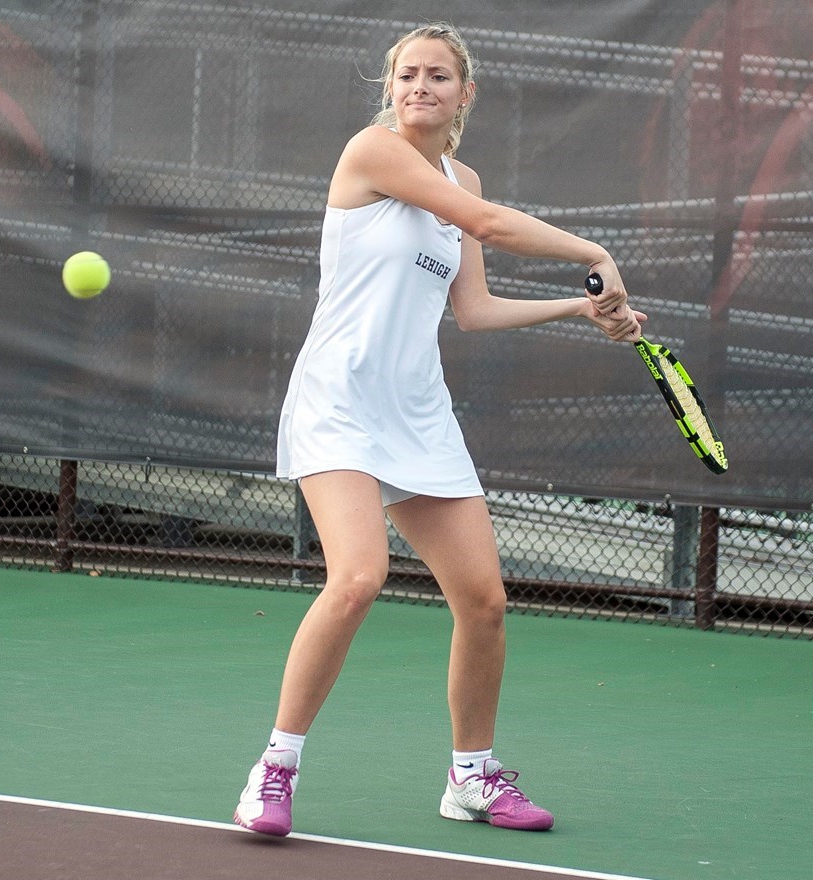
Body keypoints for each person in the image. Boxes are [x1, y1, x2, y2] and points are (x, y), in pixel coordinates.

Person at [234, 22, 644, 838]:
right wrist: (593, 251)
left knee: (484, 602)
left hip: (416, 411)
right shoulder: (373, 153)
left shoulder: (464, 176)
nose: (421, 87)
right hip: (338, 400)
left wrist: (583, 306)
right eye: (408, 74)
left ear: (465, 93)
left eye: (438, 77)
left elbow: (475, 310)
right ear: (390, 88)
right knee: (357, 578)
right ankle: (272, 772)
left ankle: (472, 778)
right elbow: (487, 223)